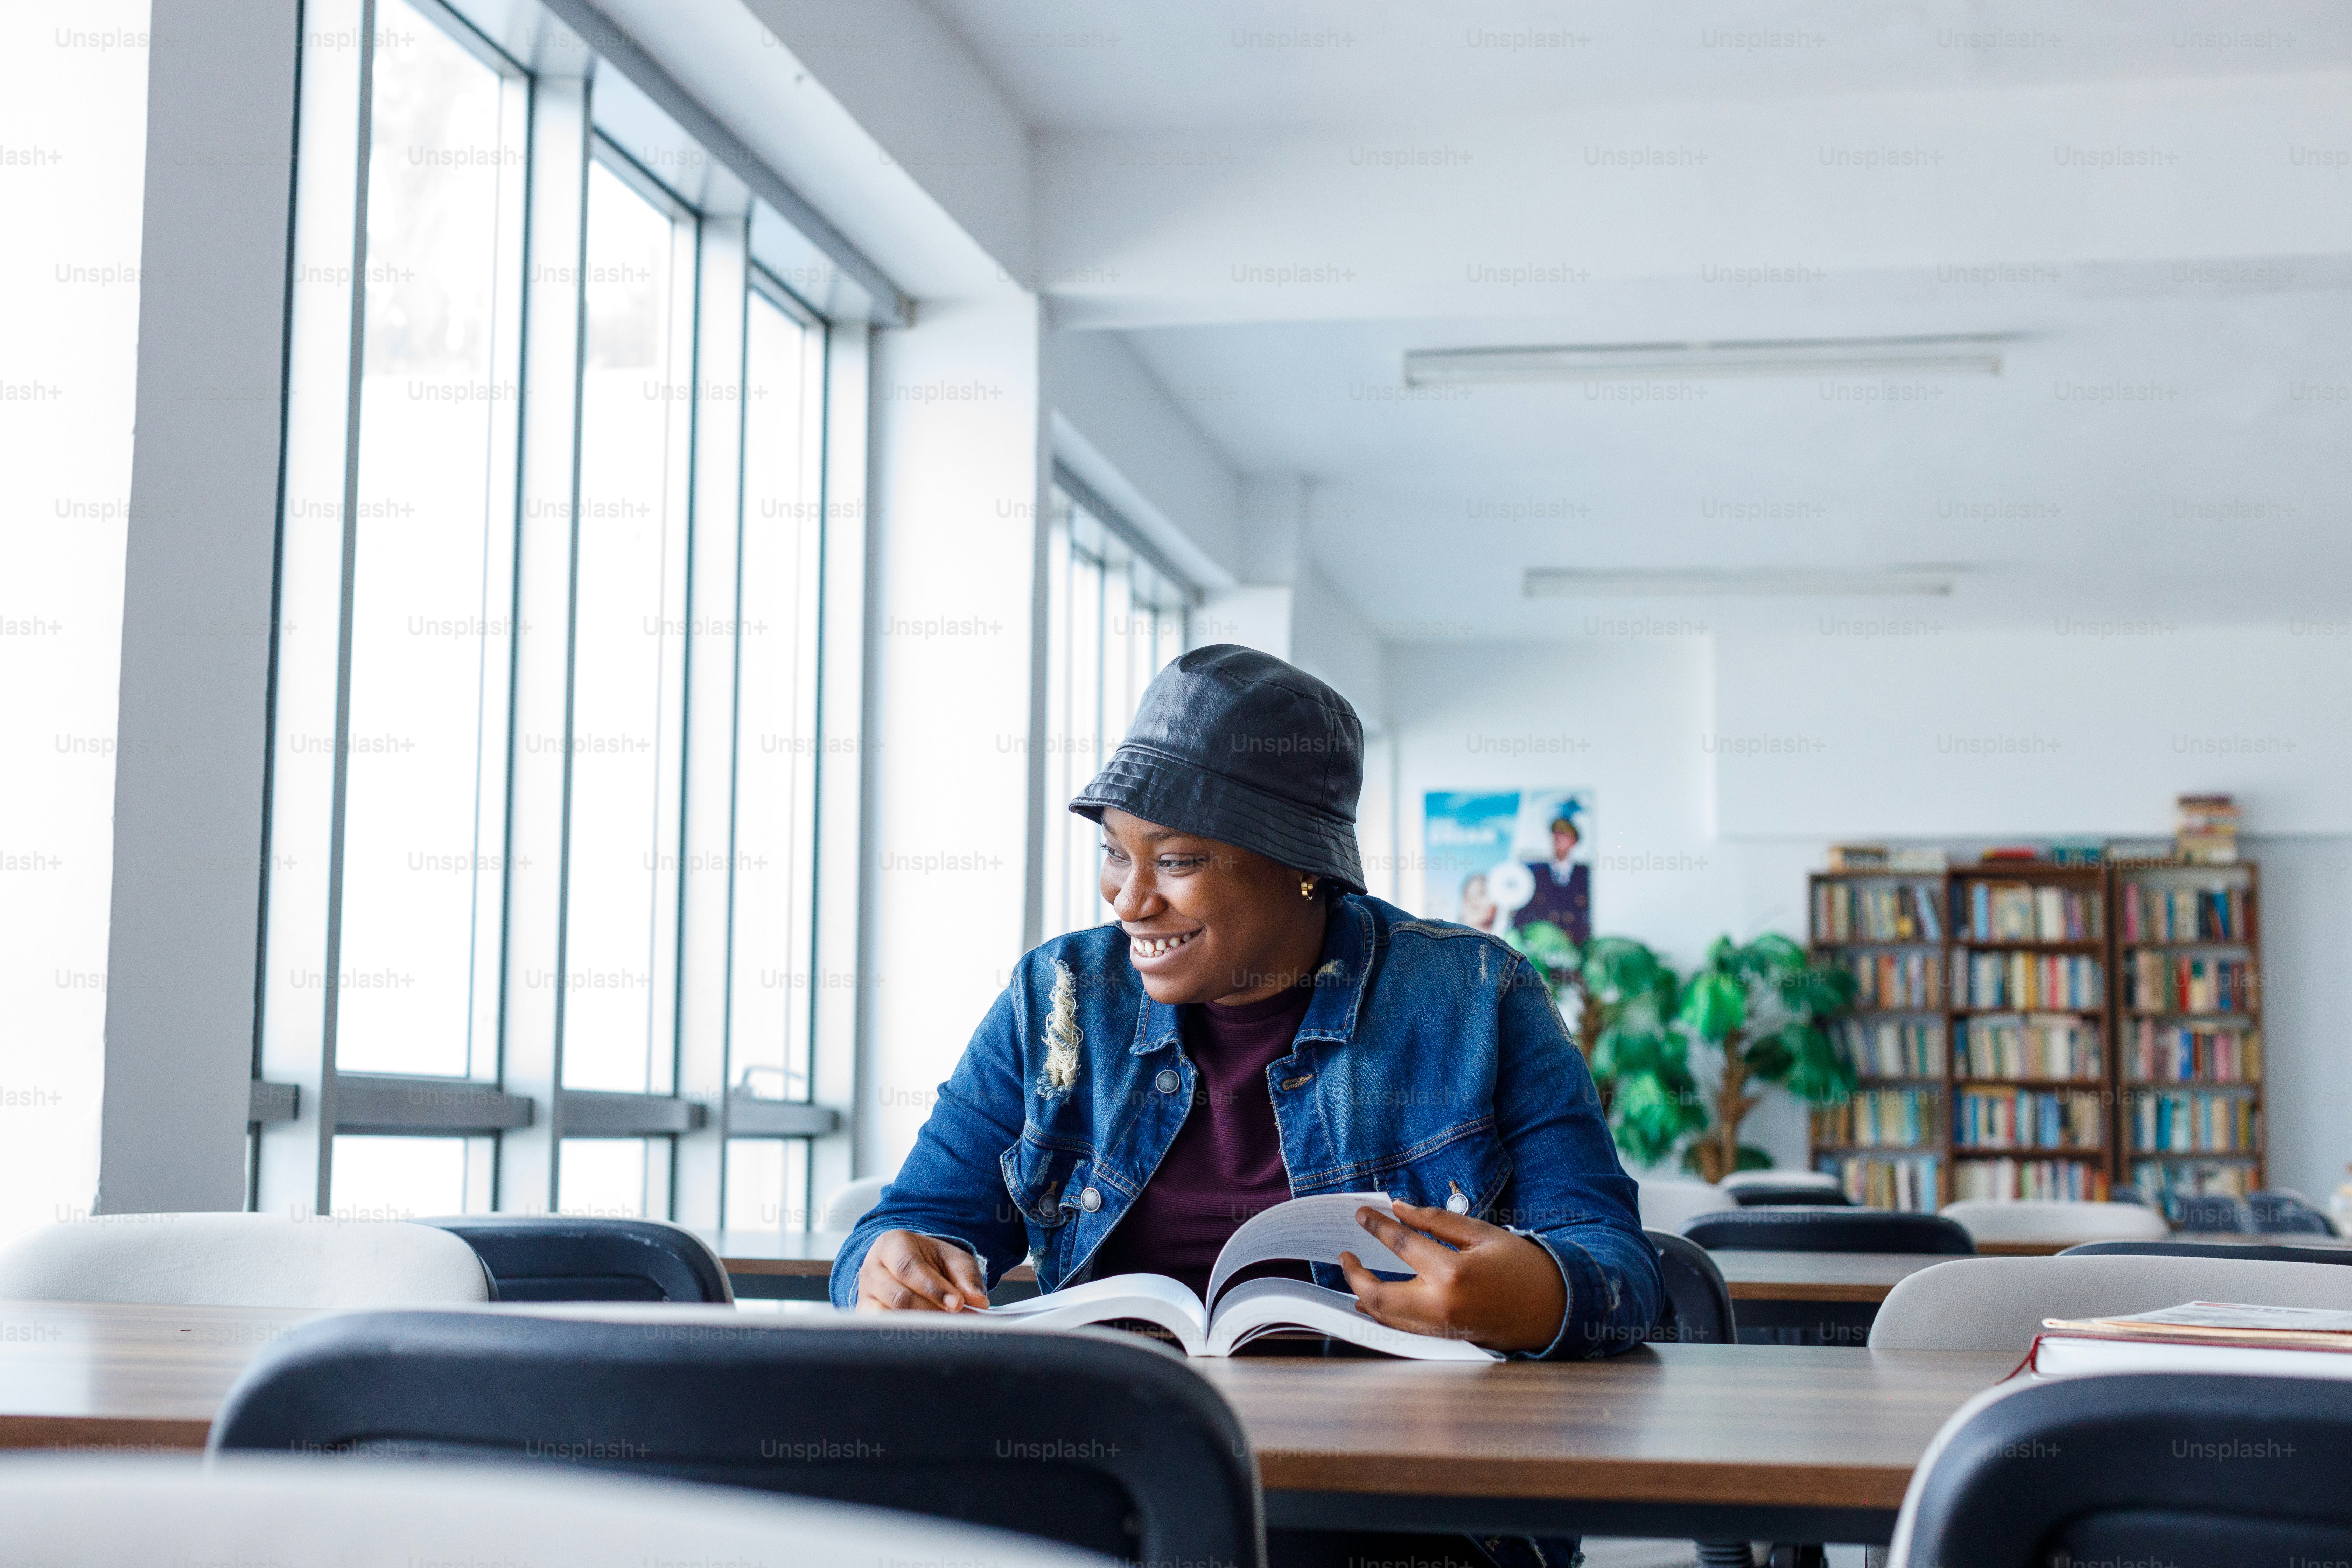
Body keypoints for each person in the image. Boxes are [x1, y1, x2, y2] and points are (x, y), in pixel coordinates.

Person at [832, 645, 1659, 1568]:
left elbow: (1617, 1265)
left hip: (1408, 1517)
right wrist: (888, 1267)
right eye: (1114, 852)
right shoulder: (1056, 997)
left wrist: (1536, 1296)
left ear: (1302, 865)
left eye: (1178, 860)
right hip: (1114, 1491)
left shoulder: (1475, 995)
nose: (1131, 900)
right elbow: (911, 1225)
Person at [1513, 807, 1590, 945]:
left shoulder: (1584, 875)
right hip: (1544, 944)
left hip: (1575, 945)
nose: (1558, 839)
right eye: (1556, 835)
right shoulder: (1537, 874)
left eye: (1564, 836)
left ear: (1574, 841)